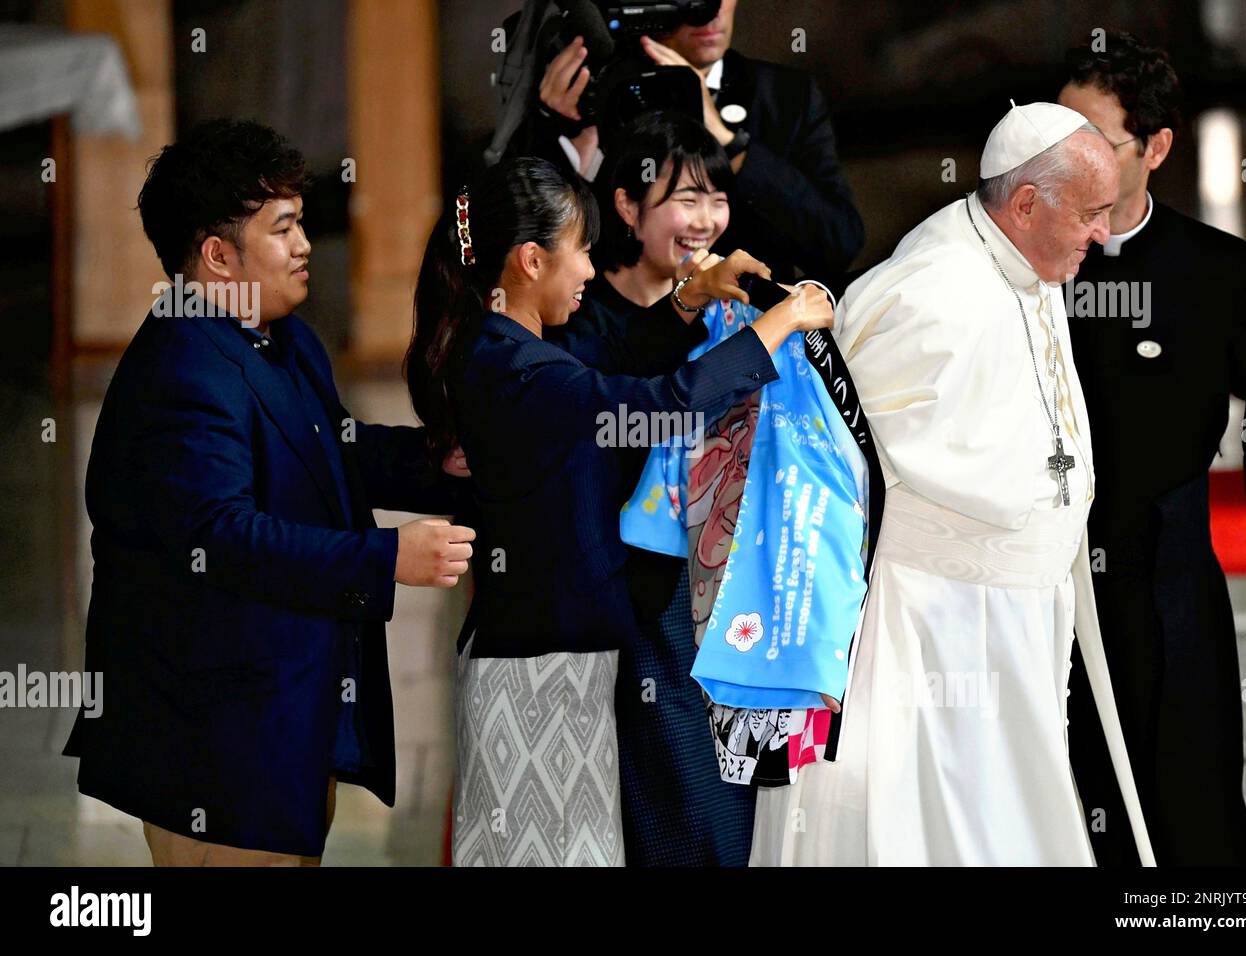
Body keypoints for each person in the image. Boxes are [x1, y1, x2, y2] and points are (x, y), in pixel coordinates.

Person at [62, 119, 475, 866]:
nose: (305, 245)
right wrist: (386, 559)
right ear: (218, 255)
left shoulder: (281, 337)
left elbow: (334, 451)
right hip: (208, 730)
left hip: (275, 710)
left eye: (302, 223)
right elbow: (220, 535)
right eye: (282, 229)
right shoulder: (183, 370)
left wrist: (443, 462)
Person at [751, 102, 1154, 866]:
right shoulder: (928, 292)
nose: (1103, 236)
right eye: (1093, 214)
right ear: (1028, 203)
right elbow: (831, 471)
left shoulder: (1029, 265)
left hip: (1019, 622)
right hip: (932, 632)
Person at [405, 156, 832, 866]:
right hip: (537, 676)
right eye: (579, 250)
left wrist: (689, 301)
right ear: (531, 260)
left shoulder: (510, 349)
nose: (588, 269)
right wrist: (780, 323)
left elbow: (615, 367)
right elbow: (656, 405)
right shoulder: (519, 369)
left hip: (550, 662)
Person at [1058, 33, 1246, 867]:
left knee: (1191, 808)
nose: (1066, 157)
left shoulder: (1217, 269)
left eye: (1094, 140)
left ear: (1155, 147)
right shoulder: (1026, 263)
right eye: (1057, 133)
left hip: (1171, 578)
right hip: (1044, 583)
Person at [544, 110, 758, 866]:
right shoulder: (579, 317)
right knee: (663, 804)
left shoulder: (738, 304)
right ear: (627, 208)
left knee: (727, 805)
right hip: (628, 600)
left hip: (724, 587)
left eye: (717, 198)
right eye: (683, 200)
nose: (705, 220)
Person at [522, 0, 864, 281]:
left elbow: (838, 245)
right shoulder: (602, 91)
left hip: (752, 327)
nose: (710, 11)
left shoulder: (787, 95)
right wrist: (562, 137)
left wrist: (734, 146)